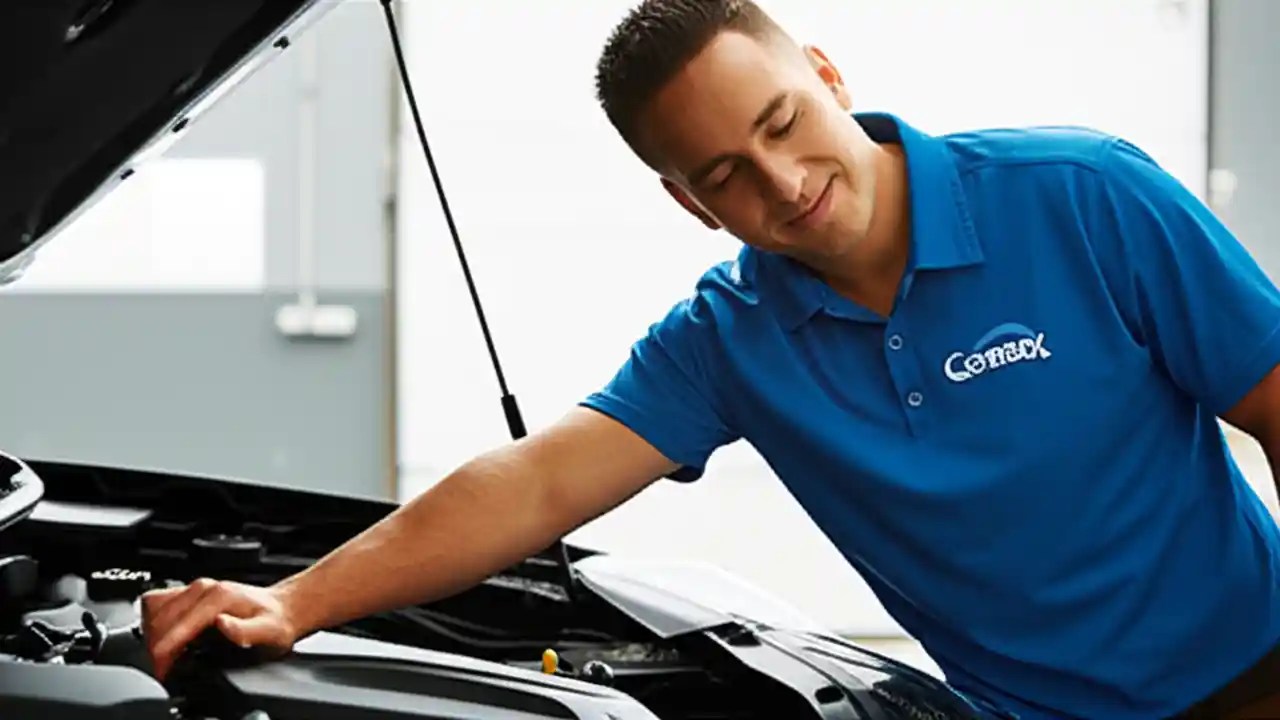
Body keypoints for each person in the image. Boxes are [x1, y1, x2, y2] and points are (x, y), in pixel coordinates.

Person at [141, 1, 1280, 717]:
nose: (780, 183)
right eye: (725, 172)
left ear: (828, 77)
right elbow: (534, 483)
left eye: (782, 123)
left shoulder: (1081, 197)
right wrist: (292, 601)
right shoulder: (730, 339)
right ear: (686, 201)